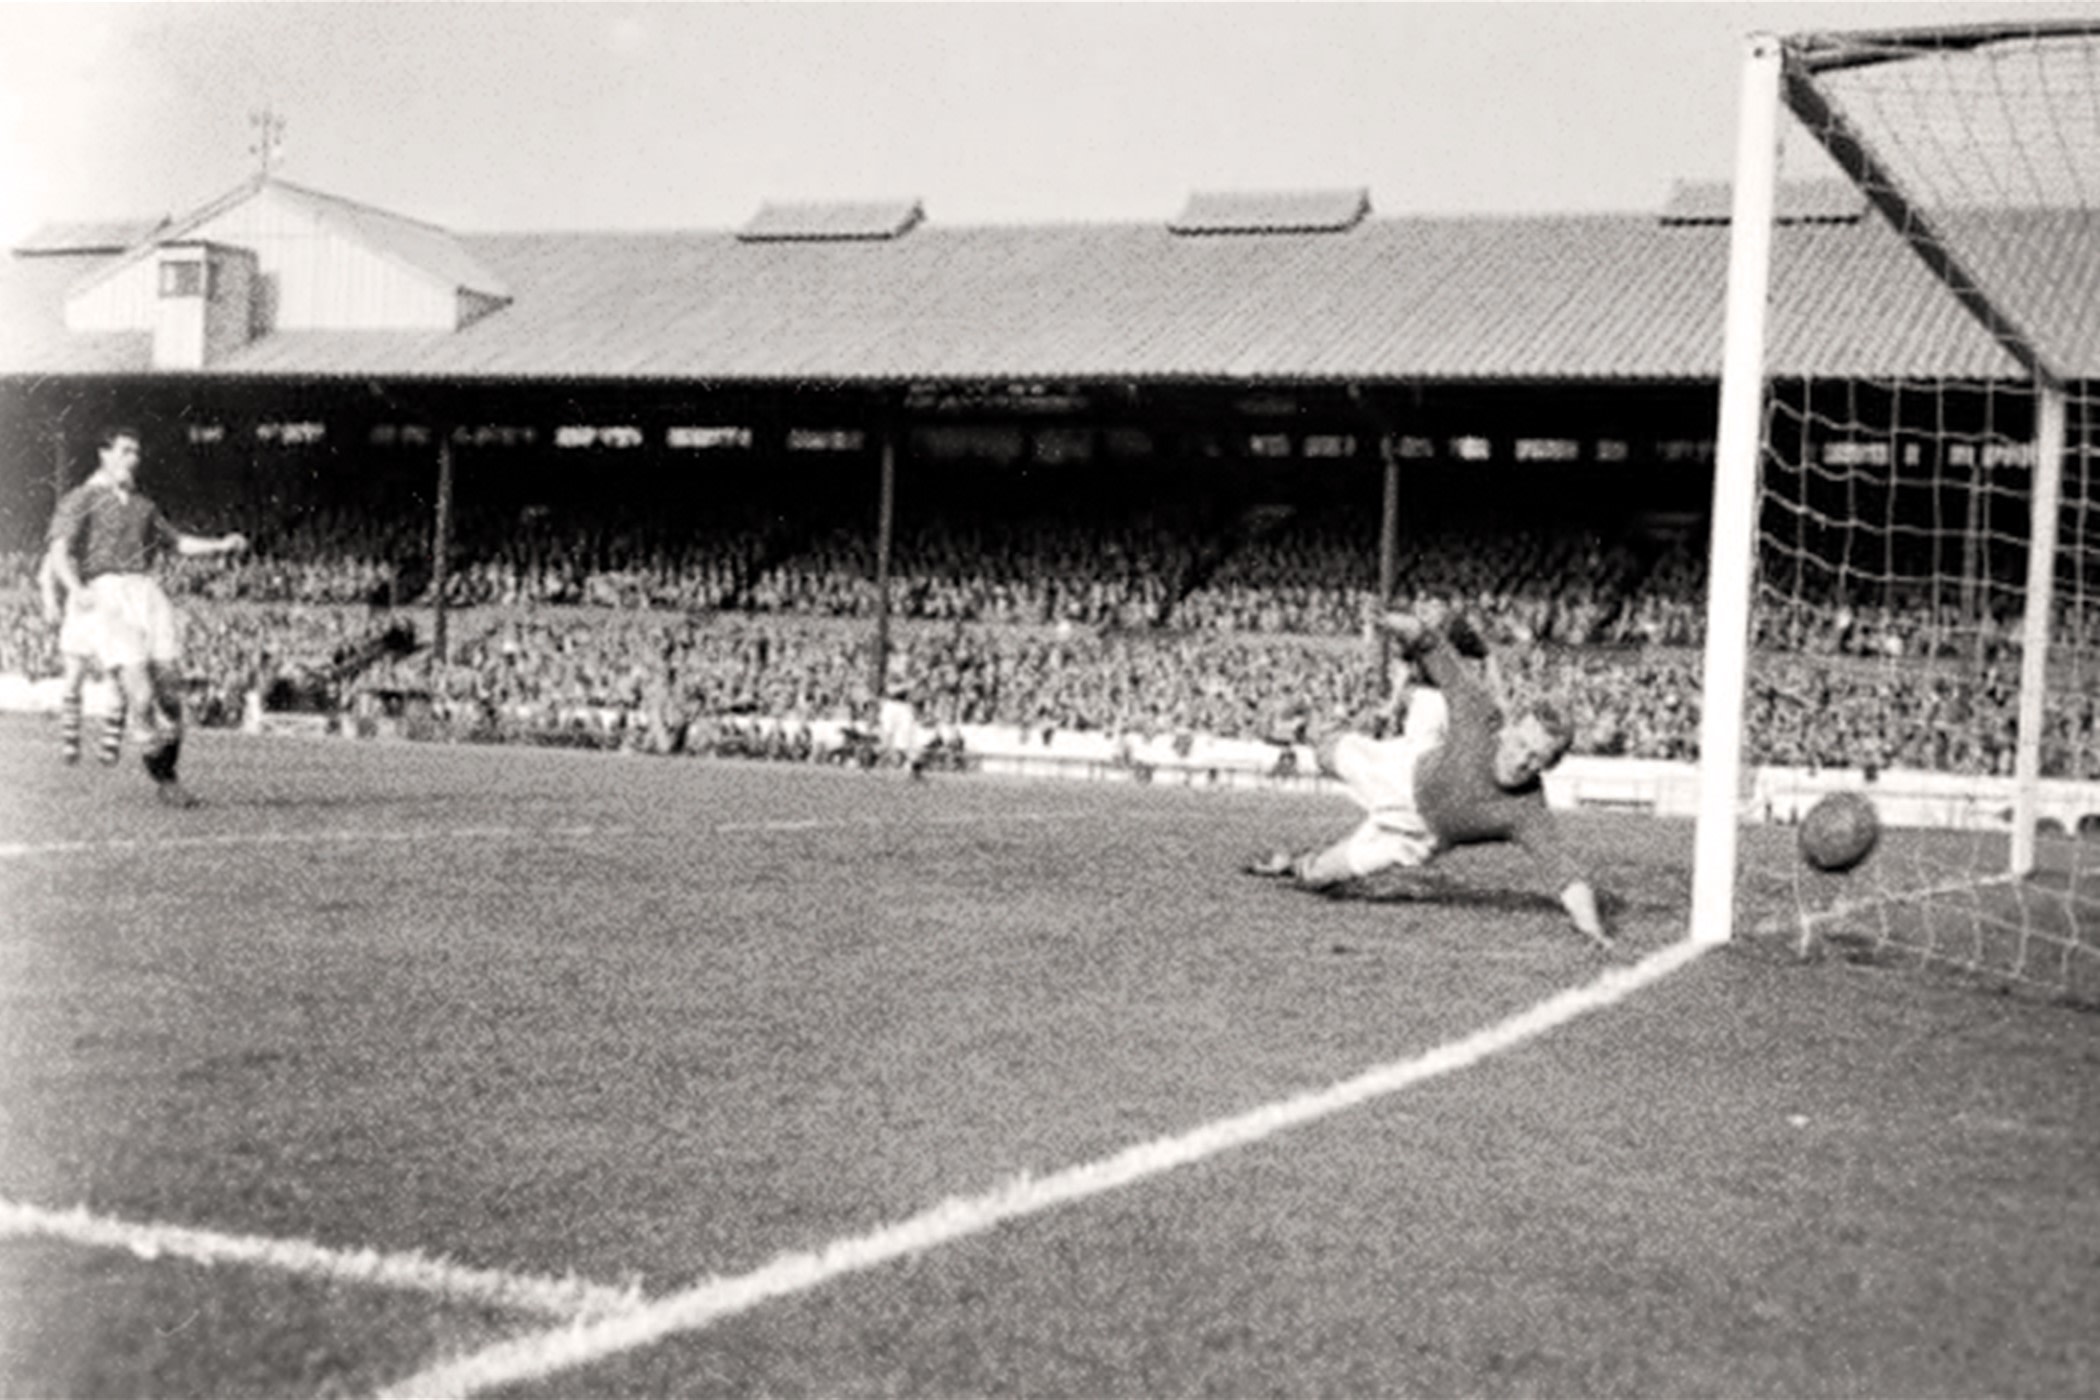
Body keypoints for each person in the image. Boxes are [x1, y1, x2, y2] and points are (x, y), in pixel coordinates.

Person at [1246, 605, 1611, 949]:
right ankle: (1301, 724)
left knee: (1319, 878)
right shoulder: (1482, 717)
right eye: (1522, 745)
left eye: (1536, 758)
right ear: (1514, 728)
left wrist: (1592, 928)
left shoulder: (1528, 811)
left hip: (1412, 838)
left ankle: (1289, 864)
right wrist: (1403, 625)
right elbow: (1440, 655)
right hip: (1402, 774)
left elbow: (1566, 876)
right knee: (1329, 751)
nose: (1522, 760)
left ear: (1549, 766)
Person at [40, 425, 248, 805]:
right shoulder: (81, 498)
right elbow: (58, 550)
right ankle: (165, 778)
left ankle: (167, 768)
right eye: (125, 450)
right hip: (107, 595)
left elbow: (180, 542)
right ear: (104, 453)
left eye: (136, 452)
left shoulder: (144, 506)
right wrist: (75, 588)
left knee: (170, 690)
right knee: (141, 694)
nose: (132, 458)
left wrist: (222, 543)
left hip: (147, 593)